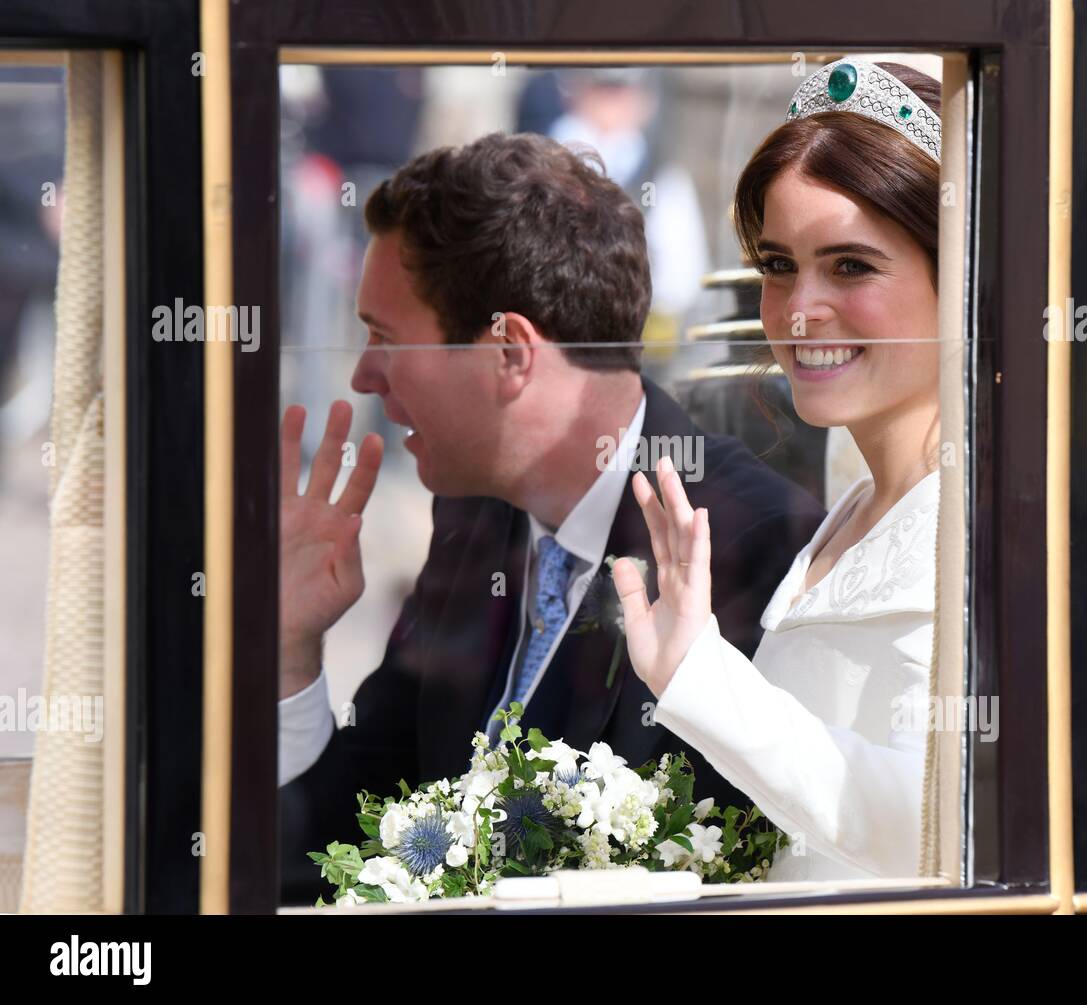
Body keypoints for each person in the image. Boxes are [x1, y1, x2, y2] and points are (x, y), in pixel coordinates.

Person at [275, 131, 826, 903]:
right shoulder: (472, 514)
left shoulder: (745, 543)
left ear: (509, 352)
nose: (365, 373)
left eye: (384, 337)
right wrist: (293, 651)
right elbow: (352, 832)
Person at [612, 58, 947, 882]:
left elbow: (936, 828)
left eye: (852, 266)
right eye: (777, 266)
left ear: (965, 275)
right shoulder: (857, 511)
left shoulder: (1008, 531)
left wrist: (704, 676)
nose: (798, 311)